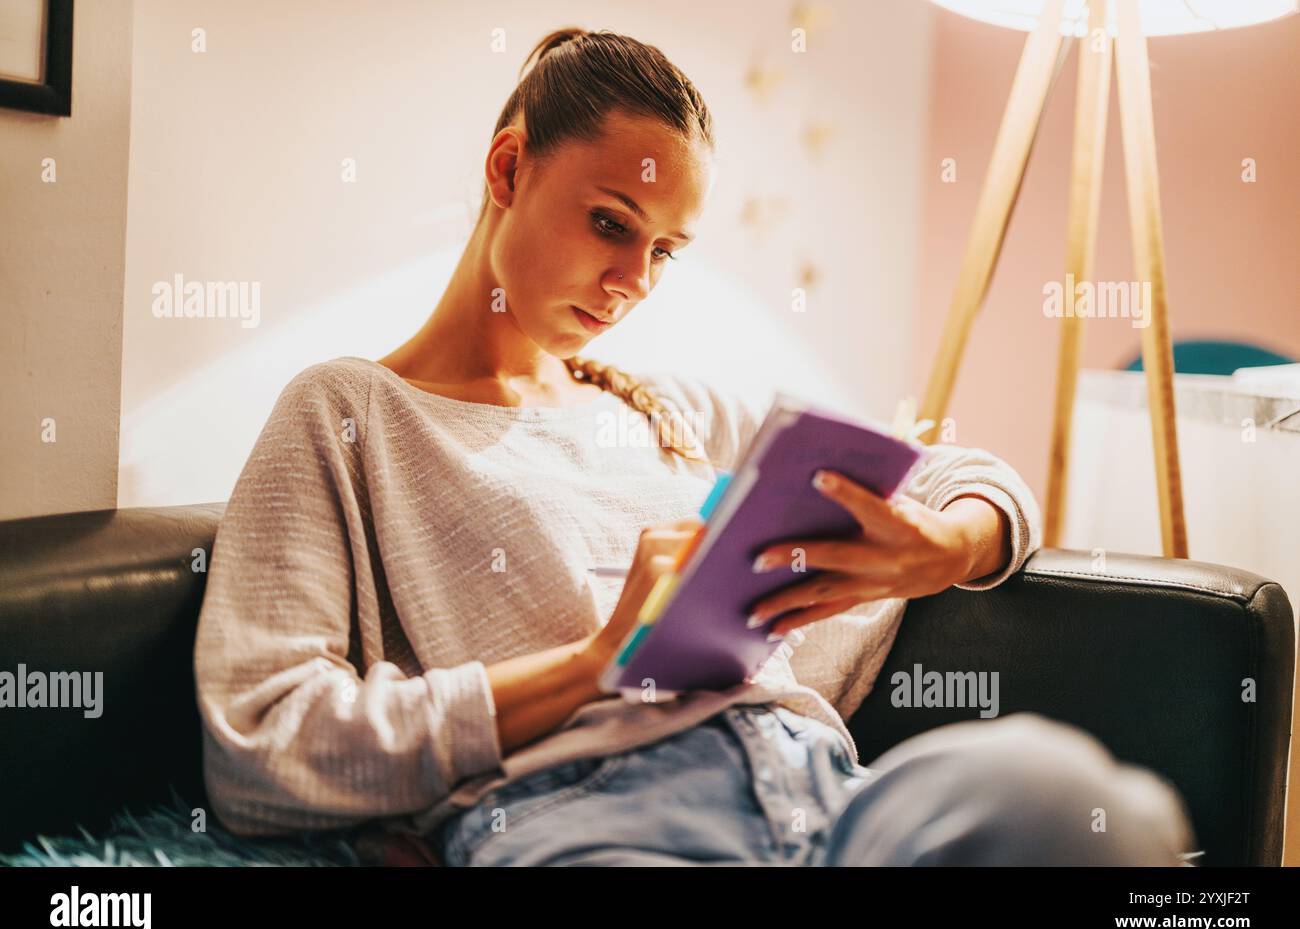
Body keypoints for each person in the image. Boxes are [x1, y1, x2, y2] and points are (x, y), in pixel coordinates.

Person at [193, 27, 1198, 867]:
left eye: (665, 251)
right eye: (609, 222)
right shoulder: (347, 414)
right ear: (508, 168)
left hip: (819, 788)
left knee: (1076, 798)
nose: (633, 278)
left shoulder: (671, 408)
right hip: (587, 818)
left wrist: (945, 545)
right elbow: (262, 741)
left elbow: (966, 473)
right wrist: (595, 662)